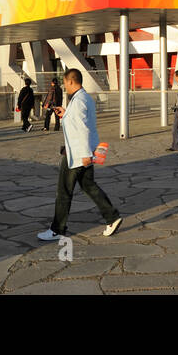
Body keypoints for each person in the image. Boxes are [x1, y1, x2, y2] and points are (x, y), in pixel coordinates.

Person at [37, 68, 123, 241]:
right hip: (85, 152)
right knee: (89, 186)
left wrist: (84, 154)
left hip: (76, 155)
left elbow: (83, 129)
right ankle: (112, 217)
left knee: (63, 192)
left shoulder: (77, 102)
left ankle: (57, 229)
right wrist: (65, 113)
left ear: (70, 81)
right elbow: (80, 122)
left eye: (65, 83)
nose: (64, 86)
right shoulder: (83, 98)